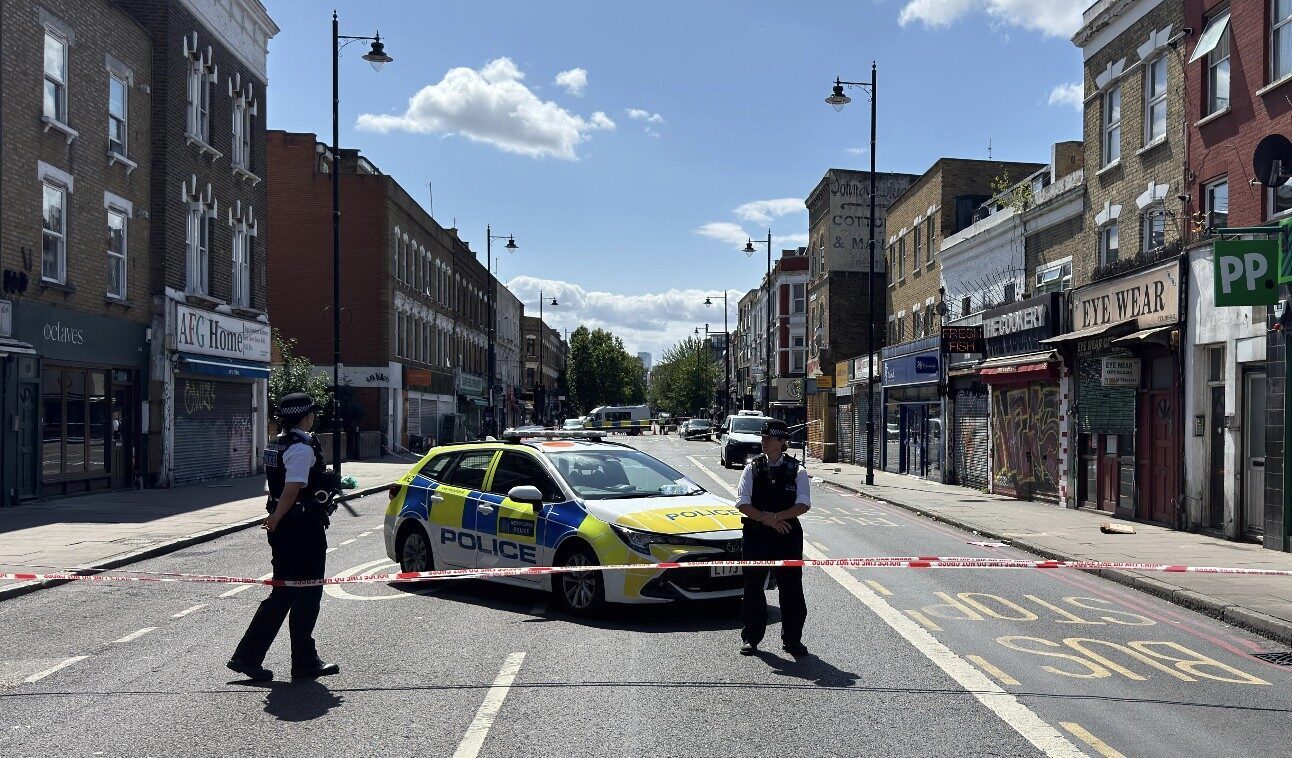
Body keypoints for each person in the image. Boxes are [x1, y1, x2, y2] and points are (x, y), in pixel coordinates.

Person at [227, 393, 339, 682]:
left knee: (284, 591)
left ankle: (247, 656)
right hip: (301, 529)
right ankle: (304, 661)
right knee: (308, 592)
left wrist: (274, 513)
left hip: (284, 526)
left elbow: (274, 486)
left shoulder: (276, 442)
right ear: (306, 416)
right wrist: (276, 517)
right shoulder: (301, 448)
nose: (314, 417)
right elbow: (292, 487)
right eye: (312, 413)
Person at [735, 419, 811, 657]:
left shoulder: (797, 470)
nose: (763, 441)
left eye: (768, 438)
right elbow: (742, 503)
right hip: (757, 534)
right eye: (763, 437)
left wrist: (777, 517)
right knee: (753, 587)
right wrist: (768, 520)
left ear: (781, 442)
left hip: (786, 536)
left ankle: (792, 639)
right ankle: (751, 638)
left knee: (791, 588)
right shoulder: (752, 468)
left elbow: (803, 504)